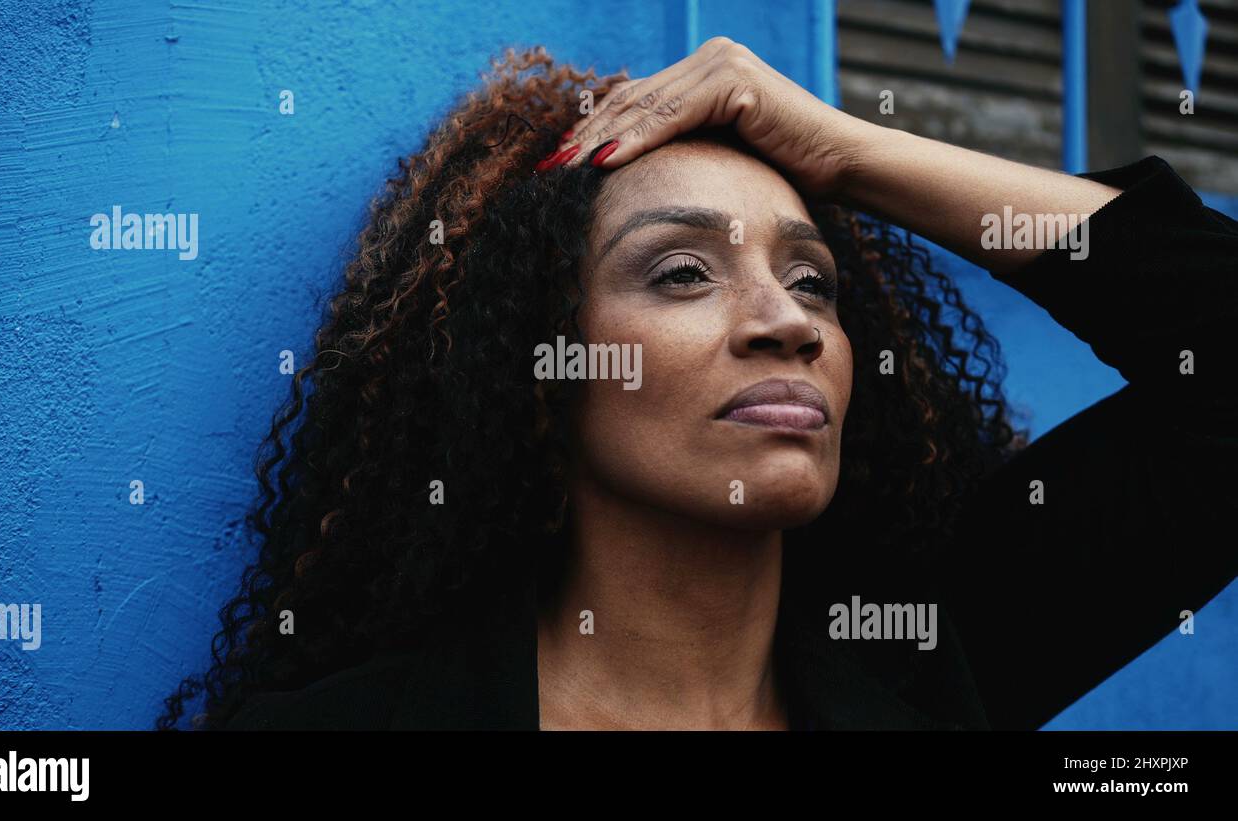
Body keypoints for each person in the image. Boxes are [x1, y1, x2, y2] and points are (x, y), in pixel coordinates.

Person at [158, 40, 1238, 731]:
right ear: (537, 363)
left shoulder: (927, 665)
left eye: (813, 280)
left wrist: (847, 150)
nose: (785, 322)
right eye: (682, 272)